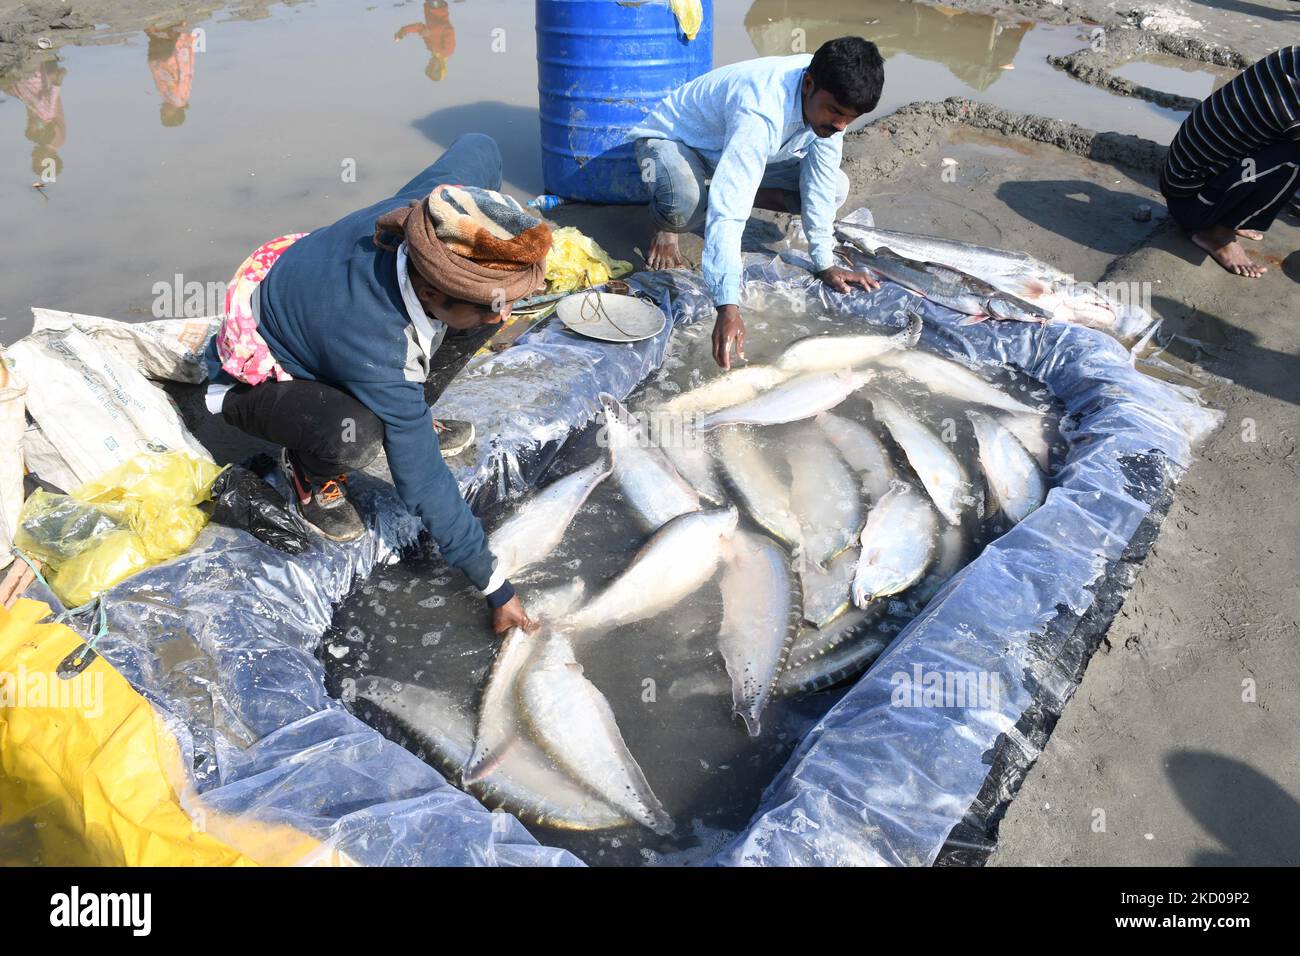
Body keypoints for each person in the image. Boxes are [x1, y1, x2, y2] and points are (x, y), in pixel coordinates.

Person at [203, 133, 547, 634]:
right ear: (433, 290)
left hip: (319, 312)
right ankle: (311, 472)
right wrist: (494, 585)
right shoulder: (377, 340)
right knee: (358, 433)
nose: (510, 311)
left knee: (477, 328)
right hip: (257, 379)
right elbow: (423, 482)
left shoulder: (432, 211)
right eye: (498, 299)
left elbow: (482, 144)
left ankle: (407, 413)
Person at [630, 36, 886, 368]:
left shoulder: (830, 103)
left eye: (849, 120)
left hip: (732, 151)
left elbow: (820, 186)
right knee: (684, 206)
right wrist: (727, 306)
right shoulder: (761, 108)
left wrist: (825, 263)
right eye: (835, 113)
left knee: (835, 187)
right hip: (674, 145)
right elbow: (730, 211)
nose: (839, 126)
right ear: (808, 85)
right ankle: (667, 223)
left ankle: (714, 189)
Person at [1160, 45, 1299, 279]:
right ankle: (1217, 234)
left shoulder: (1293, 55)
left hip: (1186, 177)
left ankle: (1234, 214)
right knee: (1294, 159)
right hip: (1190, 201)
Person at [395, 0, 456, 82]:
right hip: (438, 7)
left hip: (429, 7)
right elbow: (448, 29)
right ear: (441, 67)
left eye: (429, 66)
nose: (430, 64)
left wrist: (403, 32)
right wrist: (431, 31)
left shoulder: (430, 48)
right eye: (432, 67)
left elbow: (421, 28)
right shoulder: (447, 51)